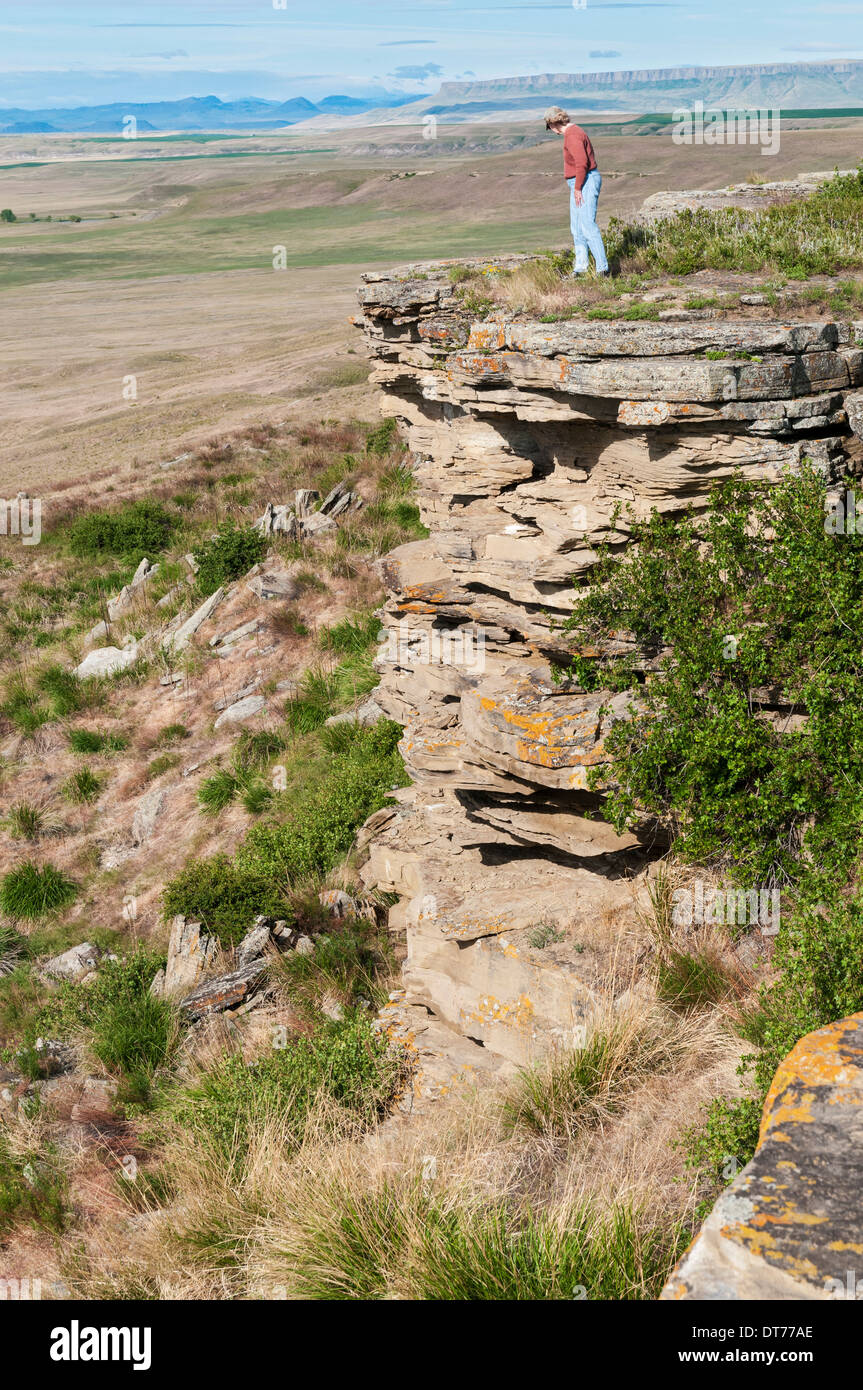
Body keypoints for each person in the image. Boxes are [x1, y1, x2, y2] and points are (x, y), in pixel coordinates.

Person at [543, 105, 609, 277]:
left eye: (549, 127)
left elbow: (582, 164)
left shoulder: (572, 135)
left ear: (553, 123)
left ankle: (603, 269)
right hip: (580, 182)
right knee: (577, 229)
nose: (551, 130)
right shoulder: (573, 133)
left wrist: (578, 187)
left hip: (584, 181)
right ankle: (580, 268)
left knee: (587, 226)